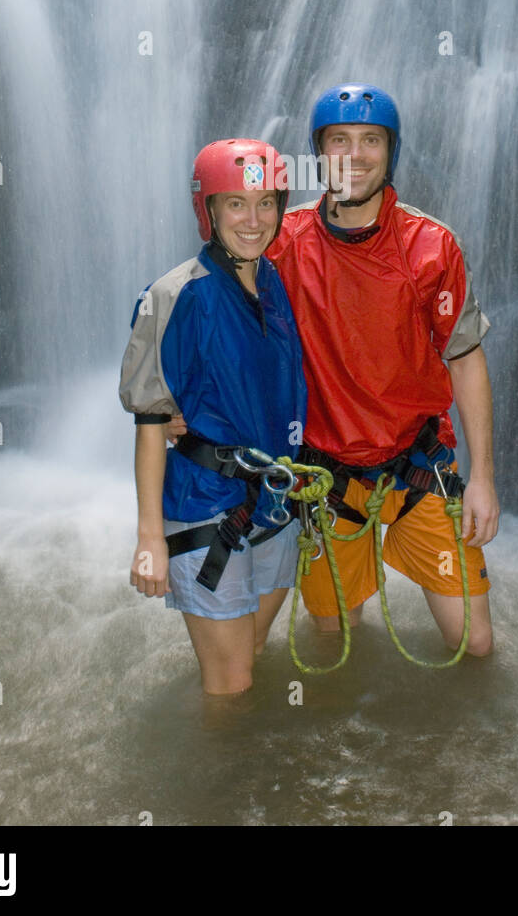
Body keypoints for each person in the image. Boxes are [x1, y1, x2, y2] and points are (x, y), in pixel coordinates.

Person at [264, 83, 498, 655]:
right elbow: (220, 321)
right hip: (327, 472)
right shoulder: (282, 242)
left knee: (476, 645)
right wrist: (174, 403)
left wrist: (484, 478)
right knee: (334, 639)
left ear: (391, 151)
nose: (355, 154)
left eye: (371, 140)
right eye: (339, 140)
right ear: (318, 151)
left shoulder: (431, 246)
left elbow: (465, 361)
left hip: (419, 463)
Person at [118, 139, 307, 696]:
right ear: (209, 210)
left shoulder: (274, 282)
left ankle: (246, 770)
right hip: (205, 506)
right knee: (231, 682)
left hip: (276, 504)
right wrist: (149, 536)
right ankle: (222, 776)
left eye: (266, 202)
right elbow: (152, 422)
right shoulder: (174, 296)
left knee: (247, 653)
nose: (254, 219)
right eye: (235, 204)